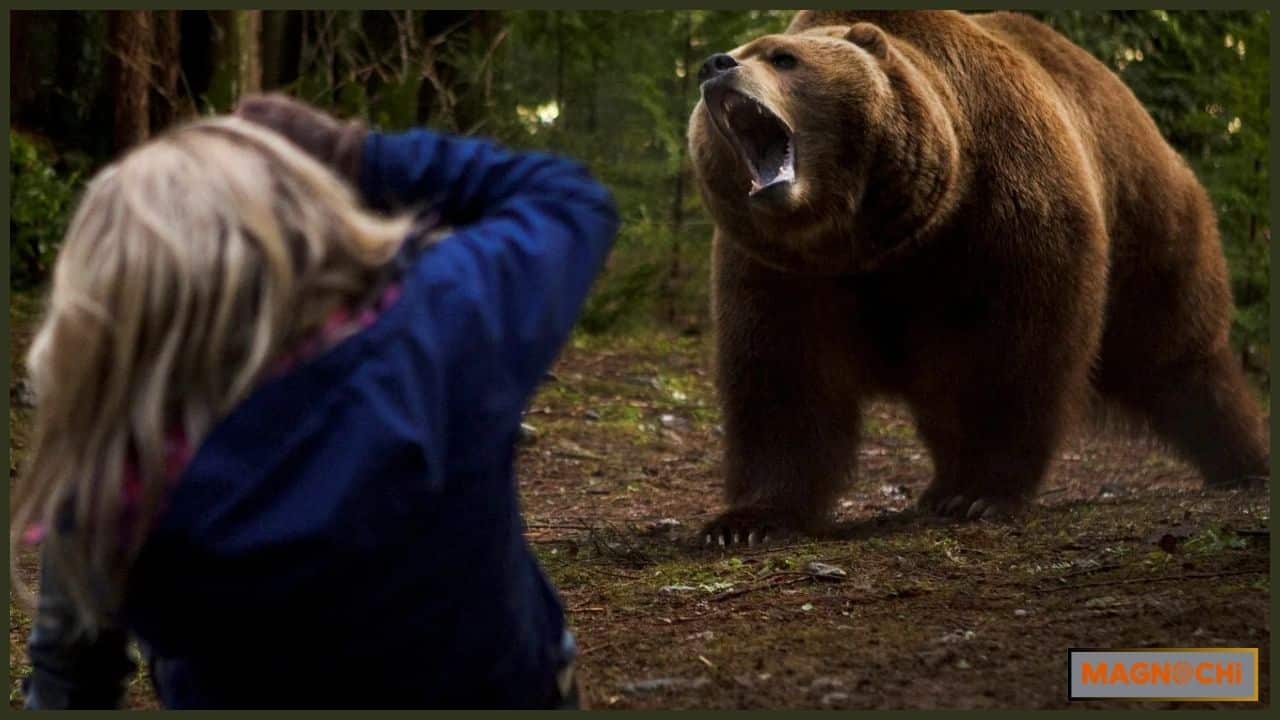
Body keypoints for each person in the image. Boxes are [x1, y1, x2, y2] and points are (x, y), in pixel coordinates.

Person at [12, 94, 618, 708]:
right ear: (308, 225)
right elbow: (568, 198)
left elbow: (72, 679)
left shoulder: (111, 483)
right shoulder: (438, 335)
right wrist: (357, 154)